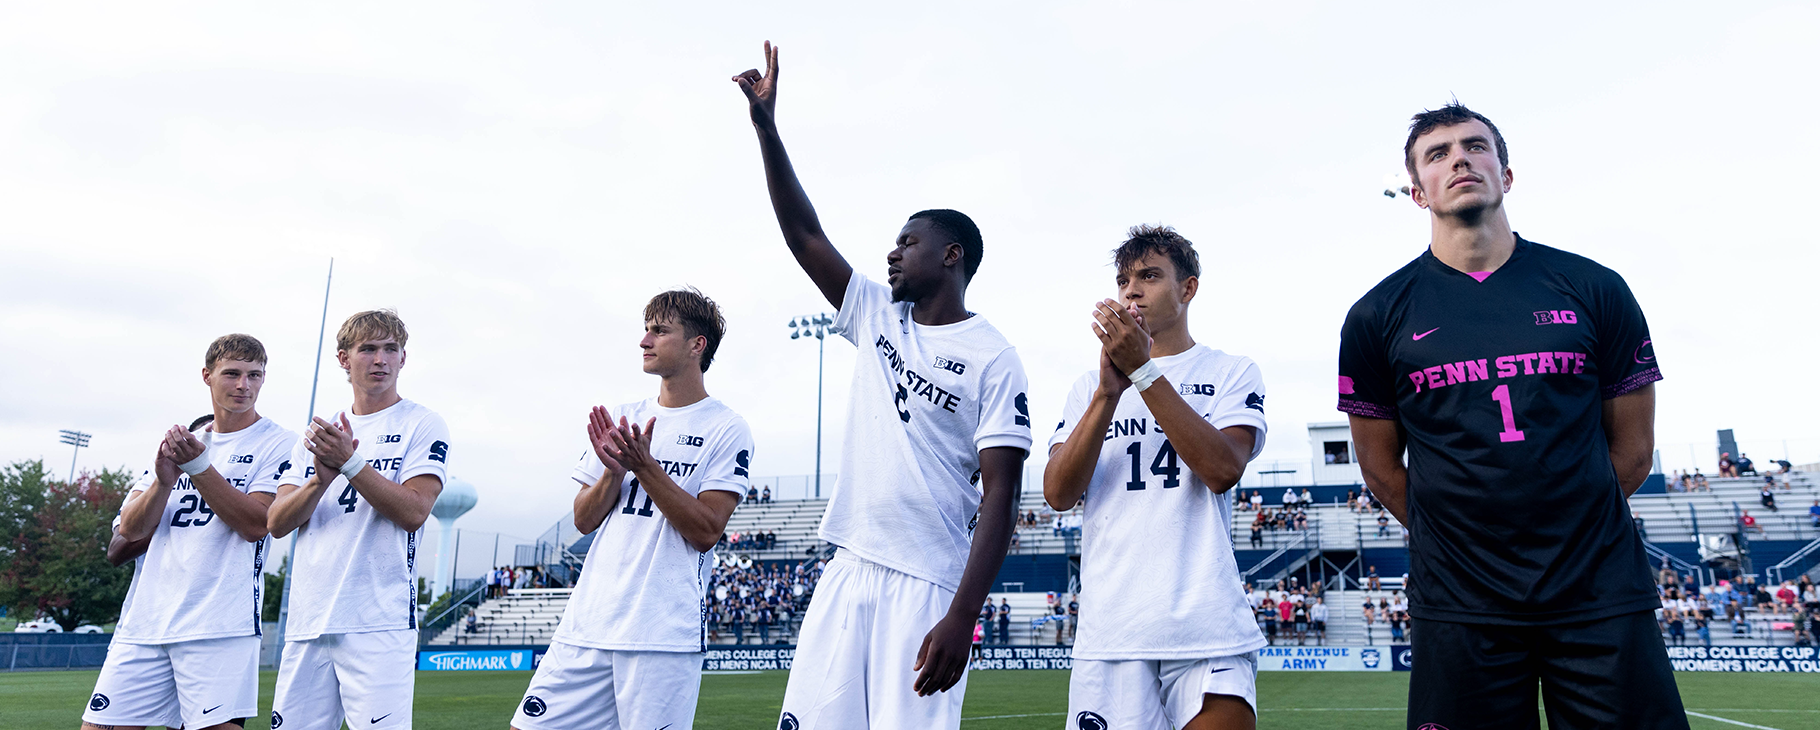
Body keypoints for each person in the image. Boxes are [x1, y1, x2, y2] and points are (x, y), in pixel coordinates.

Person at [1339, 103, 1686, 728]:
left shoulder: (1594, 286)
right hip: (1461, 600)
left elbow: (1632, 453)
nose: (1460, 160)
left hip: (1598, 589)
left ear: (1506, 172)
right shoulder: (1377, 314)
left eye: (1475, 147)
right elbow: (1380, 467)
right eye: (1437, 154)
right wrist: (1465, 540)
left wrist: (1565, 528)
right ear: (1417, 192)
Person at [735, 43, 1031, 727]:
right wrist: (767, 131)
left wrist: (964, 613)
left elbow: (1003, 494)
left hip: (927, 585)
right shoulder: (875, 314)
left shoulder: (994, 356)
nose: (892, 252)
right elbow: (804, 234)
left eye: (908, 241)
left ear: (951, 255)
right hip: (847, 570)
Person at [1043, 225, 1270, 728]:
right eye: (1124, 280)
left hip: (1207, 625)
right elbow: (1058, 493)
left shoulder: (1232, 371)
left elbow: (1222, 469)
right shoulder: (1088, 386)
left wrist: (1143, 372)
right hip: (1113, 631)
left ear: (1187, 289)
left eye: (1149, 276)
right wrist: (1108, 393)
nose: (1131, 291)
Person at [508, 290, 753, 729]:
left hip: (662, 634)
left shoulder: (726, 427)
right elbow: (583, 521)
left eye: (660, 331)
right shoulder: (624, 416)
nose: (645, 340)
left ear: (698, 345)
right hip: (588, 624)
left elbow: (706, 530)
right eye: (646, 330)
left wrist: (645, 465)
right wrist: (613, 473)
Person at [83, 336, 292, 730]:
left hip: (219, 626)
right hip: (144, 623)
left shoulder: (279, 444)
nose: (243, 385)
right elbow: (126, 534)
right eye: (231, 374)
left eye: (254, 375)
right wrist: (162, 484)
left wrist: (198, 468)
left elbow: (256, 525)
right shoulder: (181, 442)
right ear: (207, 376)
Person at [268, 310, 451, 730]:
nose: (380, 359)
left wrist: (351, 463)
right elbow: (276, 523)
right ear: (343, 359)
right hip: (308, 621)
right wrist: (318, 481)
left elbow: (415, 512)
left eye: (391, 349)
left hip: (378, 621)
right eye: (367, 349)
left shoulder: (422, 423)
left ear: (404, 359)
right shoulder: (319, 432)